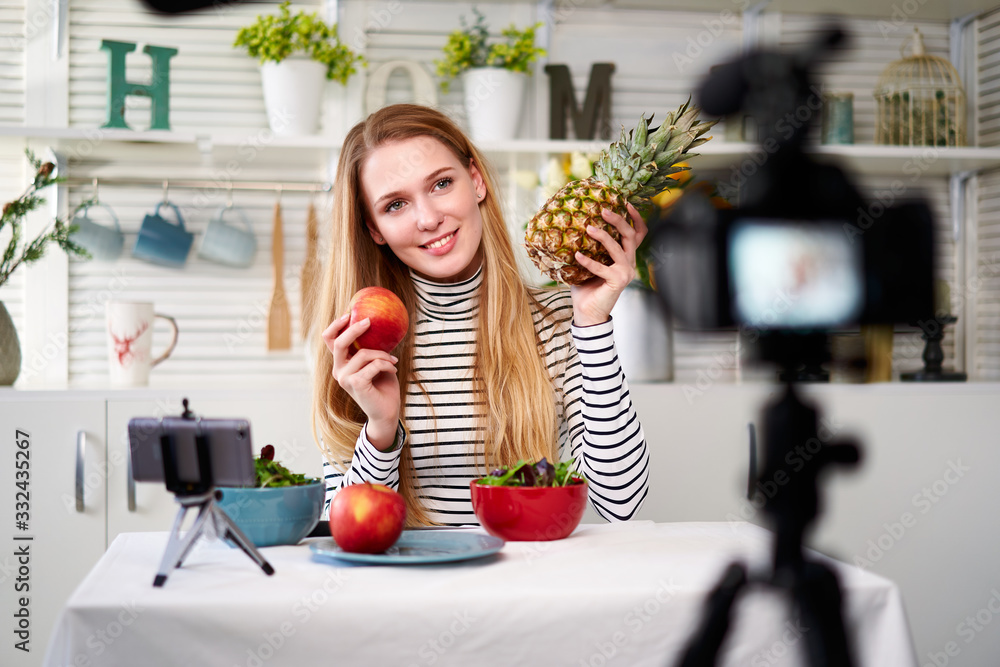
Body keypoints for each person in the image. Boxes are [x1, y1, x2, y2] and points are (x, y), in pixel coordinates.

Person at [312, 103, 649, 527]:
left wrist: (593, 325)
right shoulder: (357, 344)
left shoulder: (561, 322)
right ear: (374, 228)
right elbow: (341, 525)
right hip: (408, 571)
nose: (428, 219)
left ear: (476, 181)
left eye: (441, 184)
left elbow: (620, 500)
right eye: (395, 205)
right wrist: (380, 430)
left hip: (526, 566)